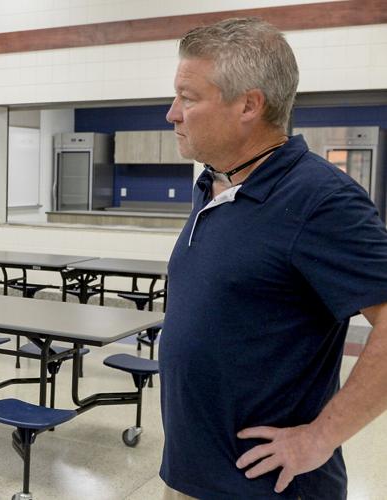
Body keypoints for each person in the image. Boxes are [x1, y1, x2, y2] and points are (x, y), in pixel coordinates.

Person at [159, 17, 387, 500]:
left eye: (188, 97)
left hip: (268, 486)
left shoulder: (320, 199)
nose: (172, 113)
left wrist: (320, 437)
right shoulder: (215, 185)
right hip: (191, 474)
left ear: (249, 105)